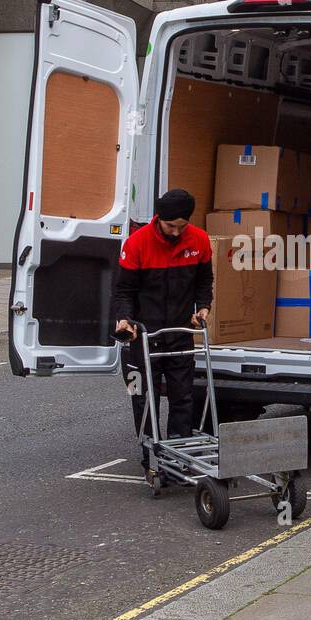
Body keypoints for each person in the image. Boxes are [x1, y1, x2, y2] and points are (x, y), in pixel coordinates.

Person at [111, 189, 213, 464]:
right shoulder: (137, 243)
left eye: (182, 227)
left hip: (179, 334)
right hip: (143, 336)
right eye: (171, 226)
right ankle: (152, 458)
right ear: (159, 219)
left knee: (183, 398)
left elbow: (204, 282)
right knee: (143, 400)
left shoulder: (200, 240)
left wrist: (203, 307)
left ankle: (178, 457)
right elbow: (124, 291)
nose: (177, 232)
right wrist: (124, 319)